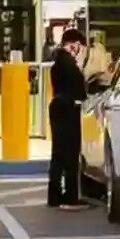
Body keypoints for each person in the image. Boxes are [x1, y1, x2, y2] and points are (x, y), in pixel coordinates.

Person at [48, 28, 88, 210]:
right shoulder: (68, 62)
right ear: (73, 44)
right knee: (71, 152)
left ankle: (54, 194)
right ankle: (70, 195)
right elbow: (80, 87)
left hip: (58, 106)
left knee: (58, 152)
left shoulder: (58, 61)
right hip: (68, 107)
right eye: (78, 46)